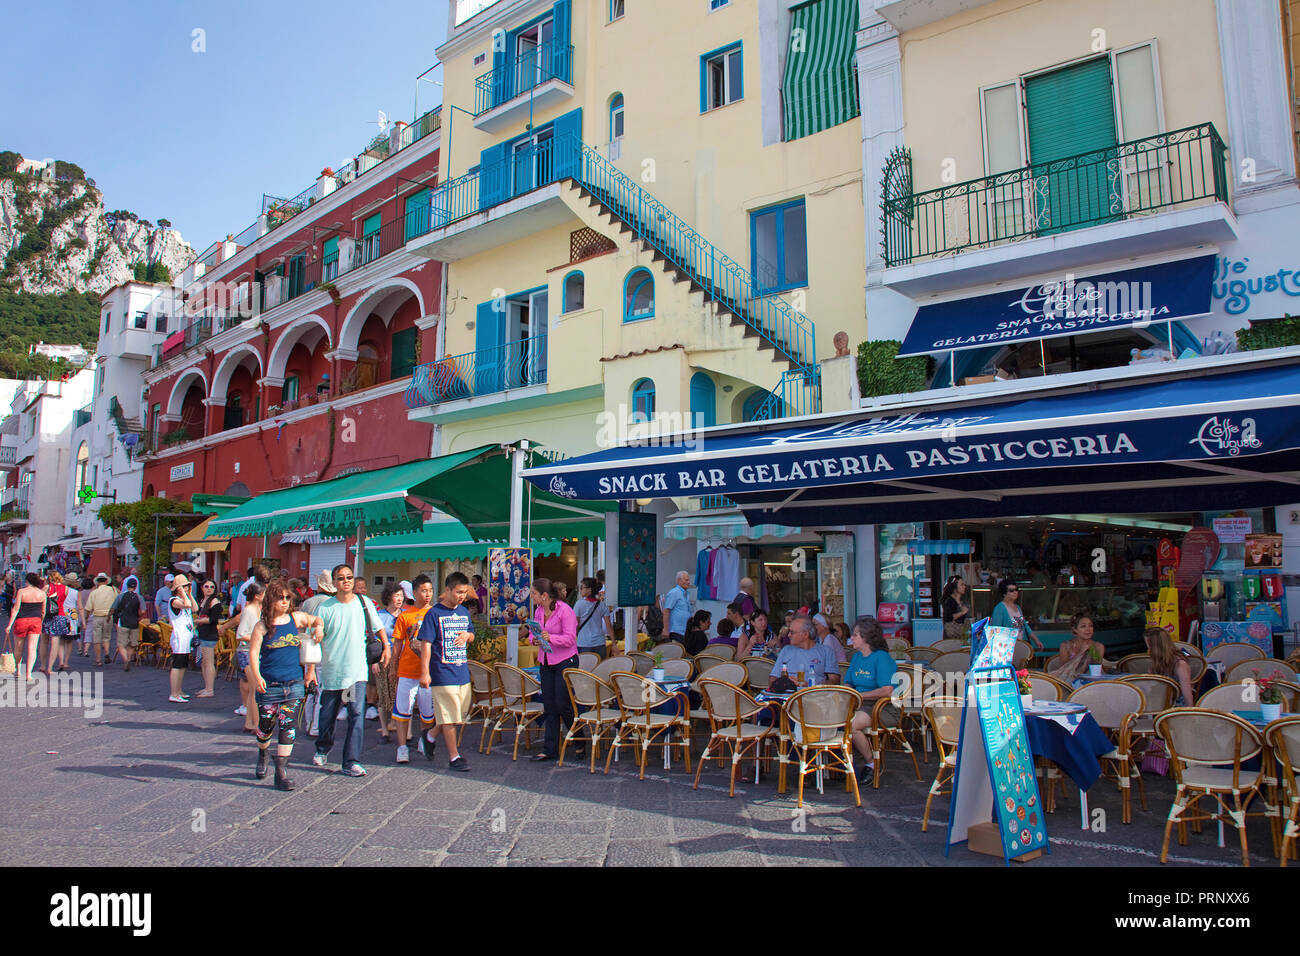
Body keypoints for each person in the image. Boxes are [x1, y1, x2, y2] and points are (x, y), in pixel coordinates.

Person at [311, 564, 387, 777]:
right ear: (334, 583)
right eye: (341, 578)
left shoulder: (364, 603)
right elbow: (313, 636)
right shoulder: (325, 608)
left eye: (349, 577)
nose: (346, 581)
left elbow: (379, 627)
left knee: (356, 714)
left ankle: (351, 760)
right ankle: (323, 747)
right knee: (328, 715)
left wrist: (387, 647)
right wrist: (310, 668)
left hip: (356, 674)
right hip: (333, 672)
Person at [248, 579, 324, 791]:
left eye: (287, 598)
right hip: (270, 683)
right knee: (265, 726)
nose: (284, 602)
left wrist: (319, 628)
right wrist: (256, 676)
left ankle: (281, 771)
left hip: (293, 682)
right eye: (280, 598)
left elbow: (317, 620)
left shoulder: (296, 618)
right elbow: (253, 653)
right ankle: (263, 752)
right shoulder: (262, 626)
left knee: (288, 726)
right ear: (270, 600)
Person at [410, 571, 474, 771]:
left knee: (457, 714)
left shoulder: (463, 611)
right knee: (449, 716)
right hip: (442, 671)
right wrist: (425, 672)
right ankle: (454, 756)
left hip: (461, 670)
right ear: (447, 590)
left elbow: (471, 634)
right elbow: (426, 644)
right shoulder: (434, 614)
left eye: (464, 592)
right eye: (458, 592)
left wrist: (467, 636)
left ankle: (429, 736)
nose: (461, 596)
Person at [527, 576, 577, 762]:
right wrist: (536, 639)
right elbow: (534, 633)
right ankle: (550, 748)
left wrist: (551, 638)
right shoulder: (539, 611)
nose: (531, 596)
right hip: (546, 659)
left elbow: (571, 638)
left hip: (565, 660)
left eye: (534, 593)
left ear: (545, 595)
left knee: (562, 703)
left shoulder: (565, 611)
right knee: (549, 704)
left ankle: (578, 738)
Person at [844, 616, 899, 781]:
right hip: (860, 703)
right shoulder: (856, 657)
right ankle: (838, 765)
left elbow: (887, 690)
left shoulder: (881, 658)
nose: (851, 638)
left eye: (855, 635)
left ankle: (872, 762)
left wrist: (859, 695)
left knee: (851, 725)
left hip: (883, 707)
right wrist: (848, 693)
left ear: (866, 638)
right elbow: (848, 682)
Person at [390, 575, 437, 764]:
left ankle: (424, 740)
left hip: (428, 672)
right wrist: (393, 666)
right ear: (415, 592)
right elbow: (398, 644)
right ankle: (402, 747)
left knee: (428, 712)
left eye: (430, 590)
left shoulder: (435, 613)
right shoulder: (405, 615)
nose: (427, 595)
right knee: (403, 711)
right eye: (423, 591)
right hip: (407, 670)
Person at [370, 582, 406, 741]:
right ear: (388, 597)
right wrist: (374, 661)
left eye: (401, 595)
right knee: (384, 694)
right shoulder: (380, 616)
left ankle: (399, 727)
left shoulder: (405, 614)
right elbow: (374, 641)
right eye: (396, 595)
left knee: (400, 694)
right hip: (384, 659)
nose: (399, 599)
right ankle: (384, 729)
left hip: (404, 659)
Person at [768, 615, 839, 688]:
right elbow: (772, 679)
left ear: (805, 635)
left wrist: (811, 685)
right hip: (789, 695)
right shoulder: (786, 650)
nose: (788, 635)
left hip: (816, 695)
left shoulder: (826, 651)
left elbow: (834, 681)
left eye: (792, 632)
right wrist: (786, 682)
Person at [6, 572, 48, 681]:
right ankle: (29, 674)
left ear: (27, 581)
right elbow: (43, 611)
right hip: (36, 621)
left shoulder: (21, 592)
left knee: (18, 648)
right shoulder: (42, 593)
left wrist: (10, 624)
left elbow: (16, 609)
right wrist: (40, 620)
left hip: (21, 620)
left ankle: (18, 670)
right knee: (32, 648)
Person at [234, 581, 263, 732]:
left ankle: (249, 723)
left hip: (253, 650)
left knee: (253, 689)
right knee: (255, 688)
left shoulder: (257, 609)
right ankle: (256, 723)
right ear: (258, 596)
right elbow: (240, 634)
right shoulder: (249, 611)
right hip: (246, 651)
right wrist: (257, 638)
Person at [1049, 612, 1111, 682]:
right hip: (1068, 683)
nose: (1088, 629)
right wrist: (1081, 652)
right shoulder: (1065, 645)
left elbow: (1096, 669)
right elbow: (1065, 668)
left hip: (1089, 683)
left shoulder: (1098, 646)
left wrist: (1093, 652)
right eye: (1083, 626)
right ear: (1075, 629)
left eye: (1091, 626)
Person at [166, 573, 198, 702]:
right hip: (179, 637)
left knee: (183, 665)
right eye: (184, 586)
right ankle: (174, 693)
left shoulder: (185, 599)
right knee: (177, 665)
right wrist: (182, 593)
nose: (186, 588)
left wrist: (189, 594)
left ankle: (179, 690)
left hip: (186, 637)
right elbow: (187, 605)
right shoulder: (174, 601)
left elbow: (194, 608)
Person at [1145, 627, 1196, 707]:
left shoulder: (1179, 664)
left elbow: (1187, 692)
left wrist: (1190, 712)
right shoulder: (1156, 661)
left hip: (1175, 706)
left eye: (1148, 646)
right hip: (1160, 702)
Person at [990, 579, 1044, 651]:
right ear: (1004, 593)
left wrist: (1036, 640)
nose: (1015, 592)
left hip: (1020, 645)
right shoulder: (999, 608)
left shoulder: (1018, 607)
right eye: (1011, 590)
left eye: (1016, 590)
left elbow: (1025, 625)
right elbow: (996, 630)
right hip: (1006, 649)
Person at [193, 578, 224, 698]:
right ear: (202, 588)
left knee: (209, 662)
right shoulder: (203, 600)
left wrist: (199, 621)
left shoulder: (214, 601)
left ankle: (210, 689)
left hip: (209, 634)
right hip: (202, 633)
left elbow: (214, 619)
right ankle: (206, 687)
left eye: (212, 587)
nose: (209, 589)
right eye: (207, 586)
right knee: (204, 662)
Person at [39, 570, 70, 675]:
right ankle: (50, 667)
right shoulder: (66, 589)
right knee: (55, 643)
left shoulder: (47, 587)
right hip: (60, 615)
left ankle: (43, 665)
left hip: (47, 616)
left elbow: (40, 600)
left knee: (44, 642)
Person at [573, 577, 612, 661]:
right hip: (600, 643)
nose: (580, 590)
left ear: (589, 589)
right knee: (599, 670)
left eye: (582, 587)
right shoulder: (602, 605)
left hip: (584, 643)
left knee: (585, 671)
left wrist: (573, 637)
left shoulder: (579, 604)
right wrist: (614, 644)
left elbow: (575, 624)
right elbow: (609, 626)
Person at [84, 572, 118, 666]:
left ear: (97, 582)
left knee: (97, 640)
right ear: (106, 581)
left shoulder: (94, 593)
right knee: (106, 637)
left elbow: (88, 608)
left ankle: (98, 660)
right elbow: (117, 602)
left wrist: (86, 618)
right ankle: (106, 652)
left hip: (97, 616)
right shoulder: (113, 590)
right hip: (108, 616)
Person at [112, 575, 144, 672]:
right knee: (132, 644)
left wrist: (111, 617)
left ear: (127, 585)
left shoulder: (120, 596)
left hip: (123, 622)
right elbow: (143, 611)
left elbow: (113, 608)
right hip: (134, 622)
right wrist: (137, 614)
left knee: (121, 644)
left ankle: (125, 659)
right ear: (136, 586)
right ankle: (129, 658)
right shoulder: (139, 597)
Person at [658, 571, 692, 643]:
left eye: (689, 580)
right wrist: (666, 629)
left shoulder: (687, 594)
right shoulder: (674, 592)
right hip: (676, 631)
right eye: (686, 580)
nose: (688, 582)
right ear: (679, 580)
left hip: (685, 631)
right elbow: (666, 610)